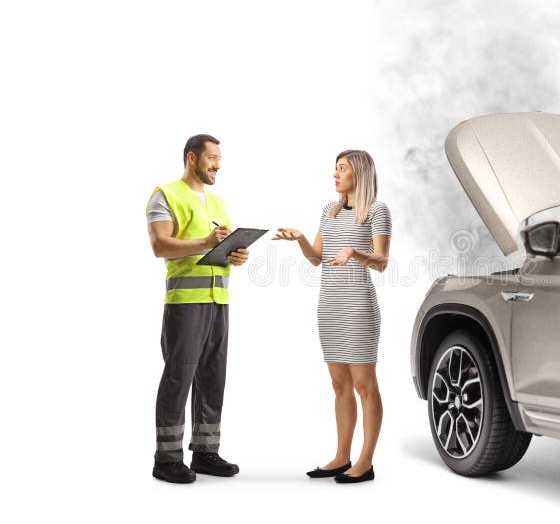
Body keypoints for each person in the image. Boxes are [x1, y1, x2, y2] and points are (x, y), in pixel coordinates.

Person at [273, 150, 391, 483]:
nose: (335, 174)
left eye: (342, 169)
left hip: (358, 306)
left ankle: (365, 462)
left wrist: (355, 252)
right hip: (330, 305)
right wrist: (299, 240)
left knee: (364, 385)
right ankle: (342, 456)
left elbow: (381, 262)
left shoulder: (377, 211)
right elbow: (316, 258)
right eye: (335, 169)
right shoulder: (330, 210)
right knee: (340, 386)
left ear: (360, 174)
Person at [146, 134, 249, 483]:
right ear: (192, 158)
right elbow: (160, 245)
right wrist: (206, 242)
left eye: (220, 158)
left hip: (219, 300)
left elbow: (219, 250)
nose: (218, 164)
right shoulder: (166, 194)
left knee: (212, 378)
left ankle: (206, 453)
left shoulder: (218, 202)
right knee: (179, 377)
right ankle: (167, 459)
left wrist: (236, 254)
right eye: (212, 157)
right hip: (186, 304)